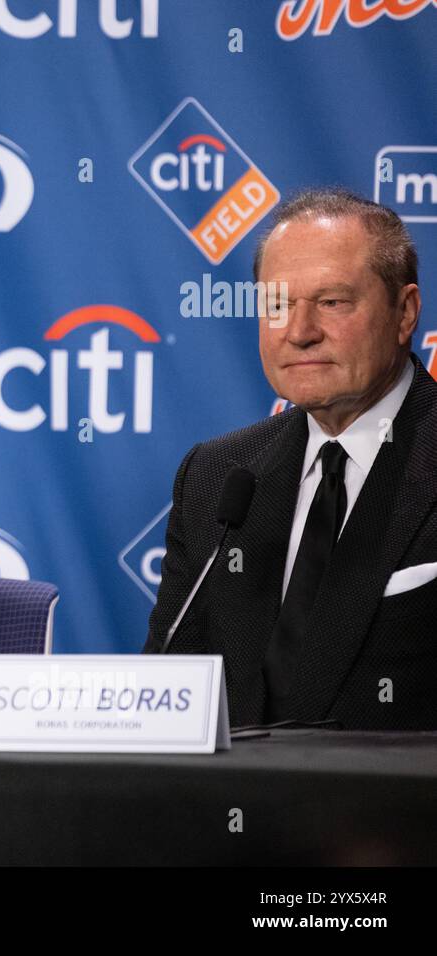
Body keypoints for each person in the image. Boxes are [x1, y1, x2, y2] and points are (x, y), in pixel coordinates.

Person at [145, 188, 436, 730]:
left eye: (332, 302)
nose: (300, 333)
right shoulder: (215, 475)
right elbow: (167, 691)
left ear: (405, 313)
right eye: (277, 304)